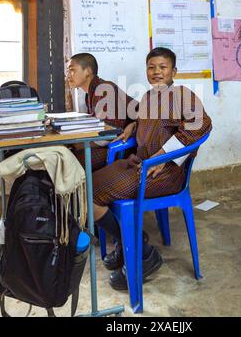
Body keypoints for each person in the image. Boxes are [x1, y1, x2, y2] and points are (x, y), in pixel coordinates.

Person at [92, 47, 212, 290]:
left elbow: (201, 126)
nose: (156, 72)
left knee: (94, 196)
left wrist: (163, 158)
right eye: (151, 67)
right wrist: (133, 127)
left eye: (163, 67)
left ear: (174, 71)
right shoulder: (148, 96)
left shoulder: (182, 95)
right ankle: (136, 245)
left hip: (165, 172)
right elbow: (148, 120)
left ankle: (140, 253)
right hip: (139, 164)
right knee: (86, 186)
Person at [67, 53, 137, 172]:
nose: (68, 75)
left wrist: (74, 145)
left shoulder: (105, 89)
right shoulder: (90, 93)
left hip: (121, 147)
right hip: (106, 144)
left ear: (87, 71)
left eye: (72, 70)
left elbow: (107, 135)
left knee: (69, 162)